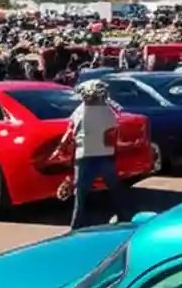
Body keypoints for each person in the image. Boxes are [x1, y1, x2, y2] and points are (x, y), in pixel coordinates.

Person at [54, 80, 133, 229]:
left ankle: (77, 225)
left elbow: (70, 132)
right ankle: (125, 216)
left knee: (81, 193)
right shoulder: (108, 111)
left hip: (85, 156)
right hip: (104, 155)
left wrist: (61, 148)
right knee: (114, 187)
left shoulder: (80, 111)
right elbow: (112, 133)